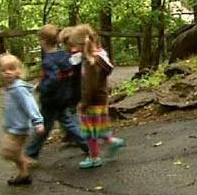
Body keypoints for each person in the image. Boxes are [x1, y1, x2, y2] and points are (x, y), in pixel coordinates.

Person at [24, 24, 88, 162]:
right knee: (68, 123)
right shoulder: (64, 55)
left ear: (43, 41)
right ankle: (87, 145)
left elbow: (53, 79)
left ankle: (30, 154)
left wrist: (41, 87)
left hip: (51, 100)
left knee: (44, 127)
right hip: (64, 97)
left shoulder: (48, 60)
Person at [67, 25, 124, 169]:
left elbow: (89, 86)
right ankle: (112, 141)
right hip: (101, 99)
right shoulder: (100, 57)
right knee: (100, 128)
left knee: (89, 132)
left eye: (74, 45)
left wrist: (83, 103)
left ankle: (94, 158)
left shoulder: (90, 63)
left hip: (91, 102)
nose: (73, 49)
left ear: (82, 45)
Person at [0, 53, 44, 186]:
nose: (7, 73)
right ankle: (23, 174)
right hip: (12, 126)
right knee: (12, 152)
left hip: (20, 127)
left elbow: (30, 105)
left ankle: (25, 162)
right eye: (4, 70)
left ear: (18, 71)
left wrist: (38, 121)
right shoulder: (10, 87)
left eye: (11, 69)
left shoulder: (18, 88)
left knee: (8, 152)